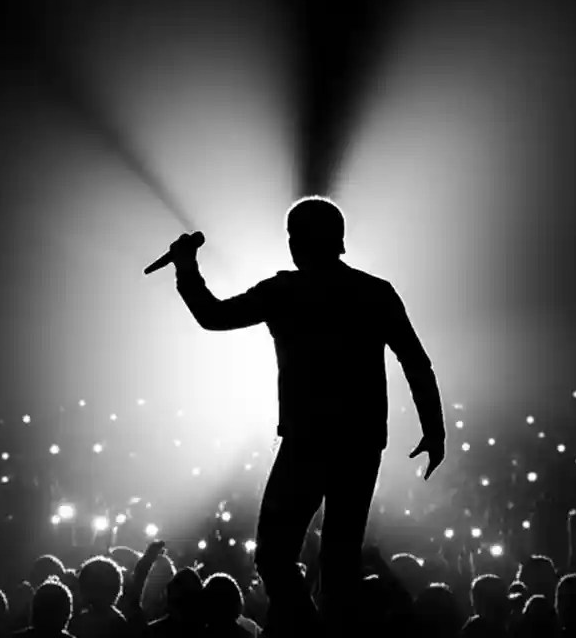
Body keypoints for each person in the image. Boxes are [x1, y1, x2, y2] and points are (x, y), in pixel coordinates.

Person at [164, 196, 446, 635]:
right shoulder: (374, 292)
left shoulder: (284, 292)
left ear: (298, 242)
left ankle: (307, 629)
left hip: (307, 441)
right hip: (360, 442)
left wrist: (186, 266)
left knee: (275, 556)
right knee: (340, 558)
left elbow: (213, 315)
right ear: (340, 241)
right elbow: (415, 361)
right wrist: (434, 428)